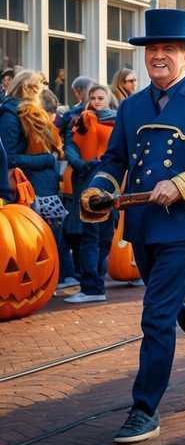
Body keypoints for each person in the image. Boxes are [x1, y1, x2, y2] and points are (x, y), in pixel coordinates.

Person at [78, 8, 185, 444]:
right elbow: (114, 159)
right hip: (142, 223)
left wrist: (183, 181)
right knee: (178, 304)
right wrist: (99, 188)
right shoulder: (132, 106)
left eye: (168, 49)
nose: (158, 56)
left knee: (156, 316)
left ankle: (144, 410)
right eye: (152, 49)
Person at [1, 71, 71, 284]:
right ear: (29, 89)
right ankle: (44, 279)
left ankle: (53, 277)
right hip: (28, 186)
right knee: (35, 236)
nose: (43, 92)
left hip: (41, 183)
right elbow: (9, 157)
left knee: (49, 233)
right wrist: (47, 160)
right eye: (40, 88)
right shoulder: (10, 115)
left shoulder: (26, 111)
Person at [63, 84, 118, 302]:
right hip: (87, 182)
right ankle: (91, 286)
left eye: (100, 97)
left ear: (108, 99)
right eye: (93, 97)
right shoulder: (81, 121)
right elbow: (70, 147)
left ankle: (97, 284)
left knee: (105, 238)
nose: (96, 101)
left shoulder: (117, 121)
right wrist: (83, 165)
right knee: (90, 237)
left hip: (110, 184)